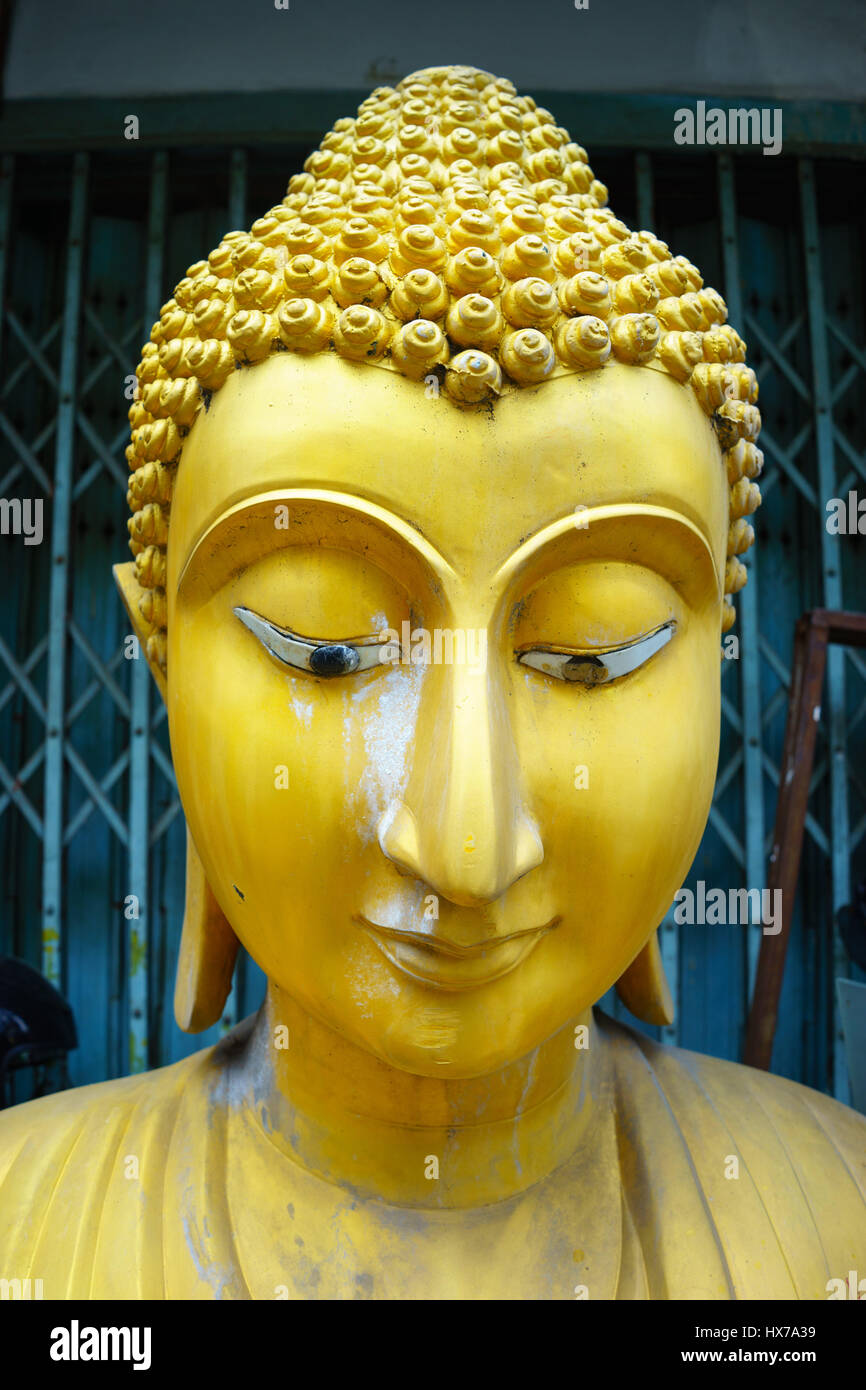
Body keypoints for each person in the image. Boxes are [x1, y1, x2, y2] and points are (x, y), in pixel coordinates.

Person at [0, 65, 862, 1299]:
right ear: (162, 658)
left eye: (592, 652)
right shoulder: (21, 1238)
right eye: (320, 645)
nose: (464, 847)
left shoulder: (837, 1224)